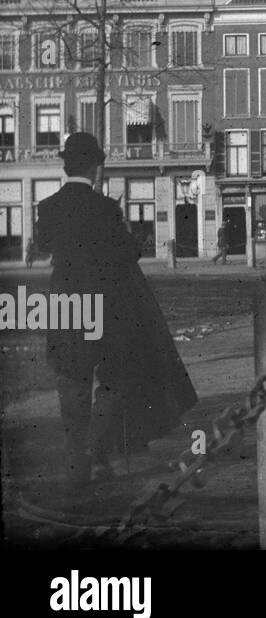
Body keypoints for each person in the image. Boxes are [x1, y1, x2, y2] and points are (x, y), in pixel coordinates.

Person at [36, 133, 198, 494]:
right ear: (95, 167)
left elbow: (42, 244)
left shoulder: (47, 207)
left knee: (71, 381)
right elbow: (129, 253)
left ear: (66, 166)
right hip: (106, 305)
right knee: (113, 380)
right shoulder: (107, 208)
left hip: (65, 304)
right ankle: (96, 449)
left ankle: (78, 461)